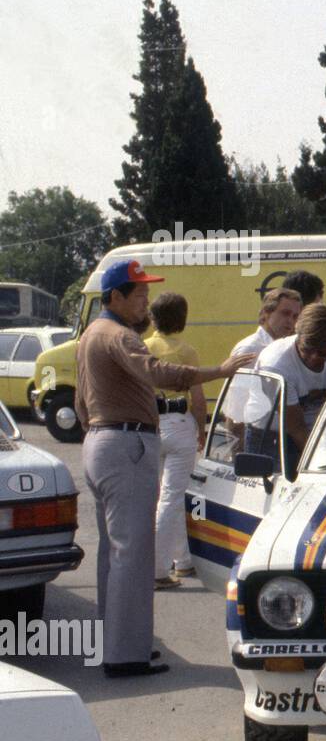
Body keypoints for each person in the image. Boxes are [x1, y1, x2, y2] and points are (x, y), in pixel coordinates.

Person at [75, 259, 254, 676]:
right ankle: (125, 655)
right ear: (115, 296)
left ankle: (119, 644)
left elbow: (84, 400)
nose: (146, 302)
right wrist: (217, 371)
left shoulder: (92, 334)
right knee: (132, 555)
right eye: (139, 294)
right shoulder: (119, 336)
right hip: (124, 441)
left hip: (103, 440)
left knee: (115, 553)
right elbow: (158, 372)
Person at [144, 292, 209, 589]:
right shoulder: (187, 351)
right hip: (179, 423)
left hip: (149, 424)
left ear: (152, 317)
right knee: (173, 498)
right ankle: (158, 568)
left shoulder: (142, 348)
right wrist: (202, 430)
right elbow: (197, 398)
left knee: (159, 497)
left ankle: (182, 561)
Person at [255, 303, 326, 472]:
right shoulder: (276, 365)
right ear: (297, 334)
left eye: (323, 353)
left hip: (319, 431)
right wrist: (320, 462)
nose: (313, 358)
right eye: (307, 349)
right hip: (273, 433)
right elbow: (296, 427)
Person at [231, 287, 302, 358]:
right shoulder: (249, 349)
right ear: (266, 312)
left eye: (295, 316)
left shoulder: (291, 349)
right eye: (285, 313)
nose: (290, 320)